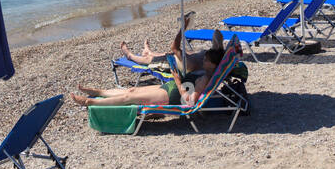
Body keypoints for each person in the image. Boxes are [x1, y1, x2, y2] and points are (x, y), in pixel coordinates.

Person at [72, 36, 227, 108]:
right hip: (172, 87)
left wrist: (177, 79)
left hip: (172, 95)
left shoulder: (205, 79)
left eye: (206, 60)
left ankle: (91, 102)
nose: (203, 61)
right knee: (132, 89)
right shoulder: (206, 73)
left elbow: (190, 101)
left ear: (213, 65)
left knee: (130, 97)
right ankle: (99, 91)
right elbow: (217, 40)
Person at [120, 12, 203, 70]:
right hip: (182, 59)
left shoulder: (195, 64)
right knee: (182, 53)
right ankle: (149, 52)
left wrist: (183, 28)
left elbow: (174, 47)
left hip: (171, 64)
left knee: (150, 59)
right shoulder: (211, 61)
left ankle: (130, 56)